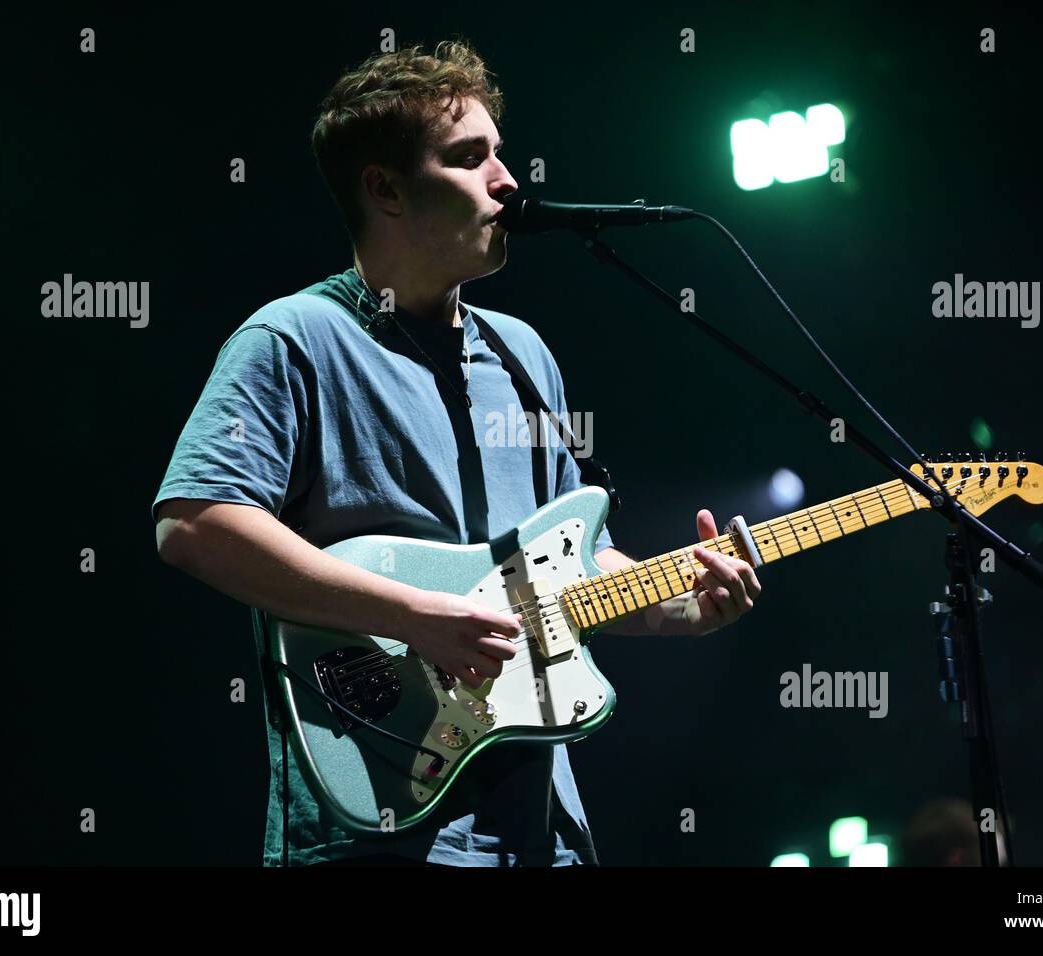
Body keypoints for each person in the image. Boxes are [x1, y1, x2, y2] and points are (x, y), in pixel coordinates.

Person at [152, 39, 760, 867]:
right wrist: (413, 617)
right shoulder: (293, 339)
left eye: (499, 154)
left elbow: (569, 569)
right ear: (385, 188)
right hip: (376, 823)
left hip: (539, 828)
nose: (507, 181)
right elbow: (193, 525)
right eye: (470, 159)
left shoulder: (523, 355)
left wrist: (684, 603)